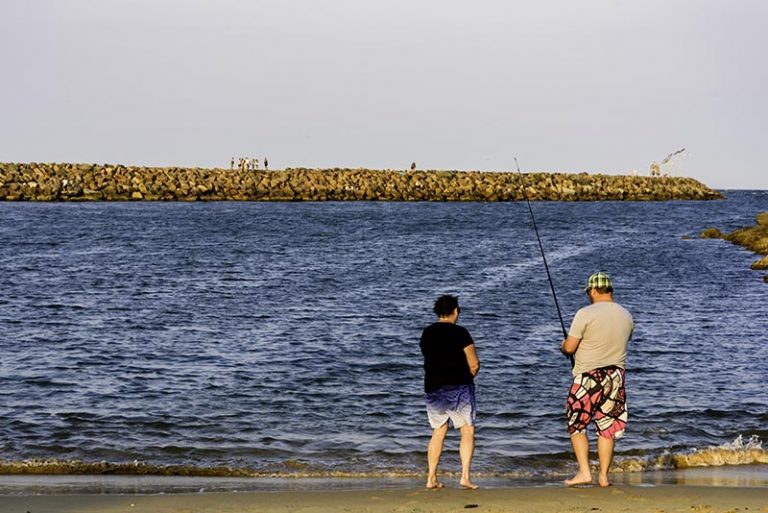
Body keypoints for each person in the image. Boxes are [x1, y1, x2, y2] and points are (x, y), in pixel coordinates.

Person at [560, 272, 634, 488]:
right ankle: (603, 476)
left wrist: (563, 347)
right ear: (610, 290)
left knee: (576, 423)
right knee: (607, 427)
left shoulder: (585, 313)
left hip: (588, 377)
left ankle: (584, 472)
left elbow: (570, 347)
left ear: (592, 291)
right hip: (616, 376)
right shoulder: (626, 315)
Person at [420, 295, 480, 490]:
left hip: (433, 387)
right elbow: (474, 363)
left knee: (439, 431)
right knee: (467, 430)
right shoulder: (461, 332)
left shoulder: (427, 333)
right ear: (455, 311)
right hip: (459, 386)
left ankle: (431, 478)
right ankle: (464, 477)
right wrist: (471, 374)